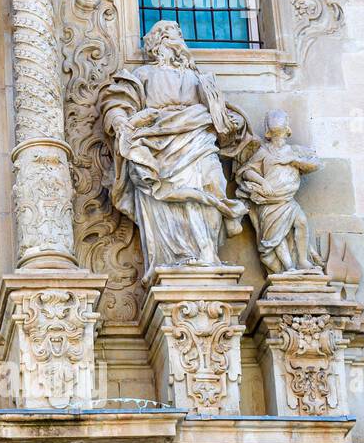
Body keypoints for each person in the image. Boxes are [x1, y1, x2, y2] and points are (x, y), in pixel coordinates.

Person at [100, 21, 249, 278]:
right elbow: (118, 101)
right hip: (159, 144)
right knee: (175, 196)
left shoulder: (197, 77)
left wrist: (233, 122)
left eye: (178, 34)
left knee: (212, 187)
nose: (176, 39)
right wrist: (121, 122)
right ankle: (181, 257)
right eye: (168, 35)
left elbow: (224, 115)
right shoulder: (144, 74)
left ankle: (208, 253)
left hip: (199, 140)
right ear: (156, 44)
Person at [235, 109, 323, 274]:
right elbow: (246, 171)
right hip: (269, 201)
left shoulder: (294, 151)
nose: (279, 139)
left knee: (301, 222)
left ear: (287, 131)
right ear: (268, 133)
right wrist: (262, 181)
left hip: (287, 200)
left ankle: (303, 261)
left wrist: (293, 160)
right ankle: (289, 267)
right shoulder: (264, 151)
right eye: (276, 135)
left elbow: (315, 164)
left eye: (281, 134)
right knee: (277, 236)